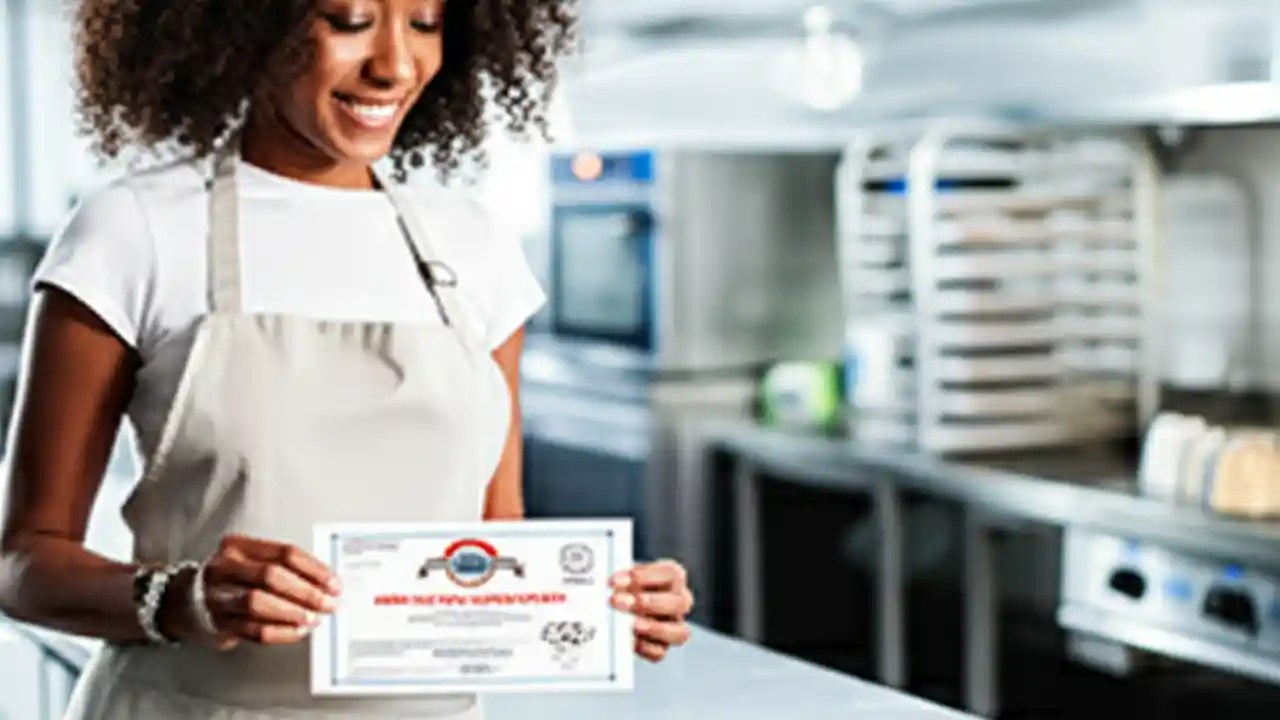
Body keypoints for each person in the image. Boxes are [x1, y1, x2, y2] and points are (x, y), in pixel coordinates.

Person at [0, 0, 694, 717]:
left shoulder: (473, 246)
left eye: (424, 24)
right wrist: (178, 597)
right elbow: (24, 562)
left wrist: (590, 600)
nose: (396, 64)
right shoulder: (136, 229)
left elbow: (491, 546)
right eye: (348, 20)